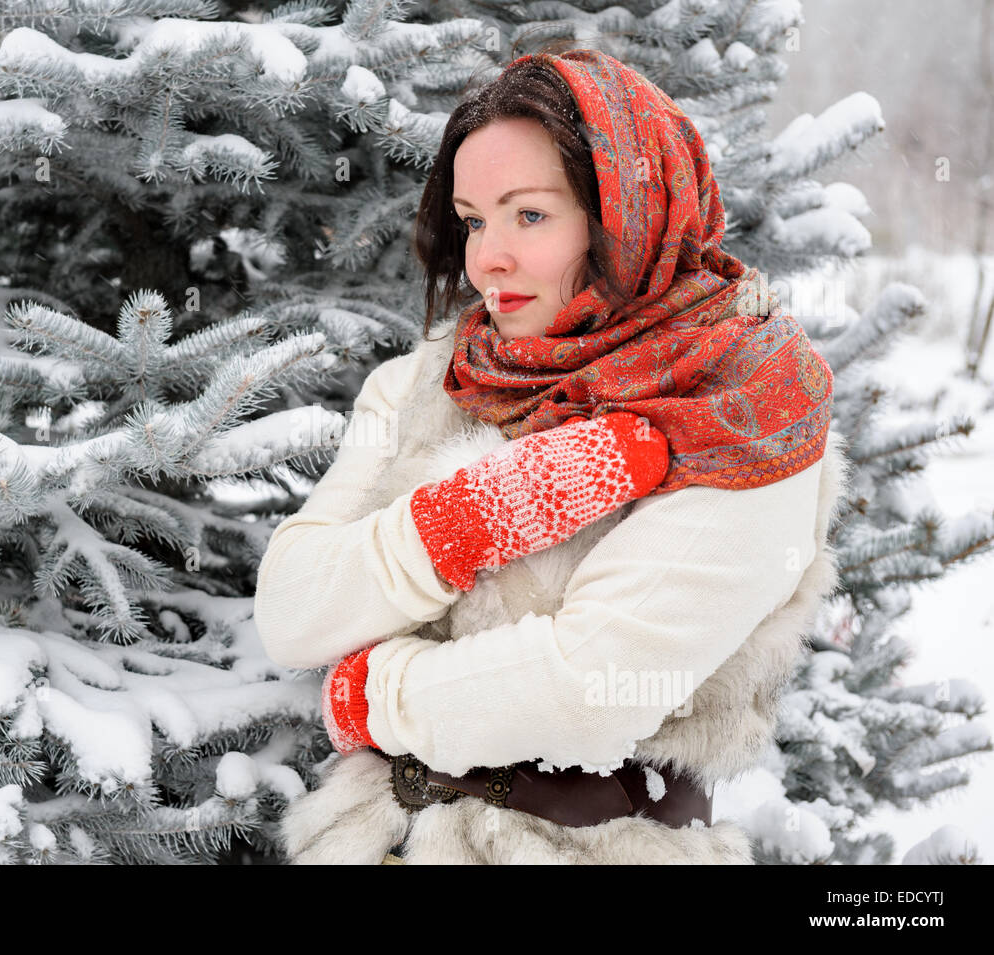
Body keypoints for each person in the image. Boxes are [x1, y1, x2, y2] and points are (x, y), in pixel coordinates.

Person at [253, 46, 850, 864]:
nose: (487, 258)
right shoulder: (440, 376)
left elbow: (587, 692)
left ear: (630, 211)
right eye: (472, 220)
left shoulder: (746, 406)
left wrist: (371, 689)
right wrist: (472, 519)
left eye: (529, 214)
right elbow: (291, 609)